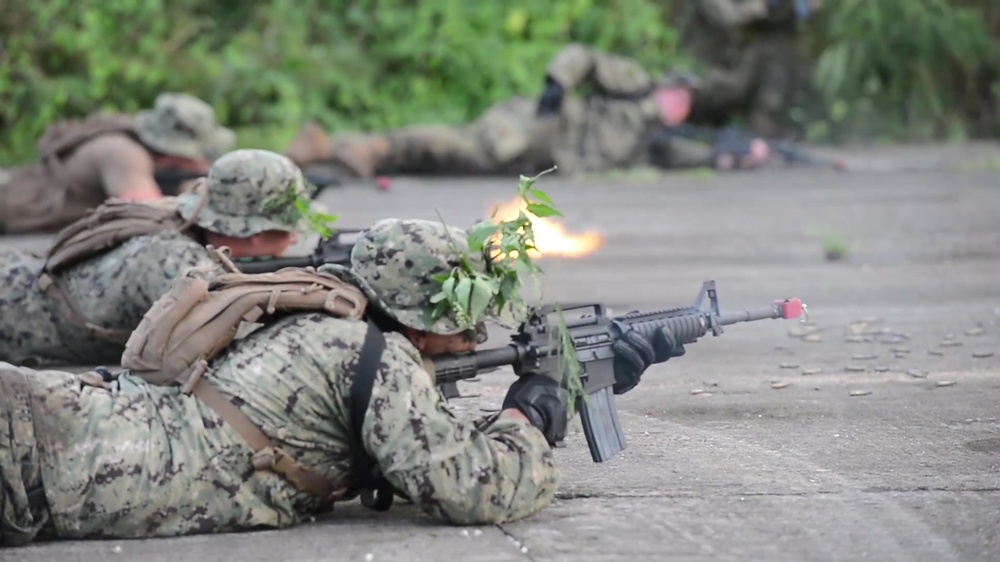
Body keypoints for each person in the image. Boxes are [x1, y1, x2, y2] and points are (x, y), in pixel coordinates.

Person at [0, 216, 681, 545]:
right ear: (417, 318)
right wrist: (533, 410)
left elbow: (410, 439)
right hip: (40, 457)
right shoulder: (369, 355)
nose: (474, 337)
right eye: (464, 322)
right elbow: (474, 487)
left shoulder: (319, 314)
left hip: (56, 427)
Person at [0, 148, 313, 368]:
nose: (294, 238)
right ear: (253, 232)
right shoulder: (176, 264)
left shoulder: (183, 216)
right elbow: (241, 348)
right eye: (285, 230)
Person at [284, 43, 771, 179]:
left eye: (687, 106)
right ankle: (346, 145)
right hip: (538, 127)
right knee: (463, 146)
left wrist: (727, 157)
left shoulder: (656, 139)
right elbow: (583, 56)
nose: (679, 108)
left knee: (450, 160)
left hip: (540, 161)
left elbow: (682, 157)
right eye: (679, 96)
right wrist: (558, 84)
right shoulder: (634, 86)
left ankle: (344, 154)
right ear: (669, 87)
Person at [0, 92, 235, 235]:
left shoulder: (137, 138)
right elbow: (147, 217)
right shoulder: (123, 154)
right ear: (177, 153)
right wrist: (192, 196)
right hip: (15, 213)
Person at [673, 0, 823, 138]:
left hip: (732, 71)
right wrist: (763, 5)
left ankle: (765, 121)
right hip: (701, 73)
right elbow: (728, 17)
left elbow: (801, 14)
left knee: (778, 48)